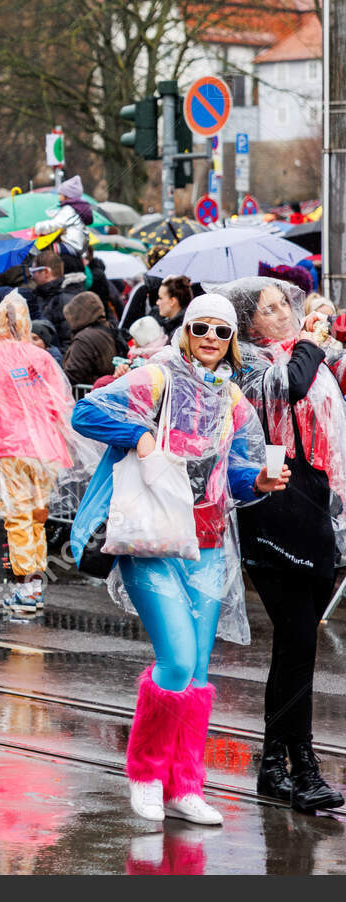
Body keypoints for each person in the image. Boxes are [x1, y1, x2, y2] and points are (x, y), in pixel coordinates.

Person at [70, 293, 286, 825]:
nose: (211, 338)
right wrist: (140, 433)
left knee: (197, 670)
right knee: (176, 660)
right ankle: (146, 773)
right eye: (201, 328)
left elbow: (236, 472)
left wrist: (258, 479)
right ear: (185, 331)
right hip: (151, 538)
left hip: (208, 543)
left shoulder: (234, 398)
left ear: (232, 341)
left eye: (222, 331)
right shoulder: (157, 377)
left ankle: (183, 784)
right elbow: (87, 410)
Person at [223, 277, 346, 812]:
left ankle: (276, 767)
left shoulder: (299, 354)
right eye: (270, 310)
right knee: (296, 642)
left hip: (317, 507)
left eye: (284, 305)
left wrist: (326, 351)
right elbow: (292, 385)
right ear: (249, 324)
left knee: (296, 648)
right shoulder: (249, 364)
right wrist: (313, 344)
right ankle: (302, 767)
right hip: (273, 509)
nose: (285, 314)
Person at [0, 293, 91, 615]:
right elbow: (60, 403)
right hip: (44, 450)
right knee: (36, 517)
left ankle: (26, 587)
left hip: (8, 448)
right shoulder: (42, 359)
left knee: (18, 518)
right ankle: (34, 585)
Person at [62, 290, 119, 387]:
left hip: (90, 395)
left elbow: (74, 374)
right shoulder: (108, 328)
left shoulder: (84, 338)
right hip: (106, 391)